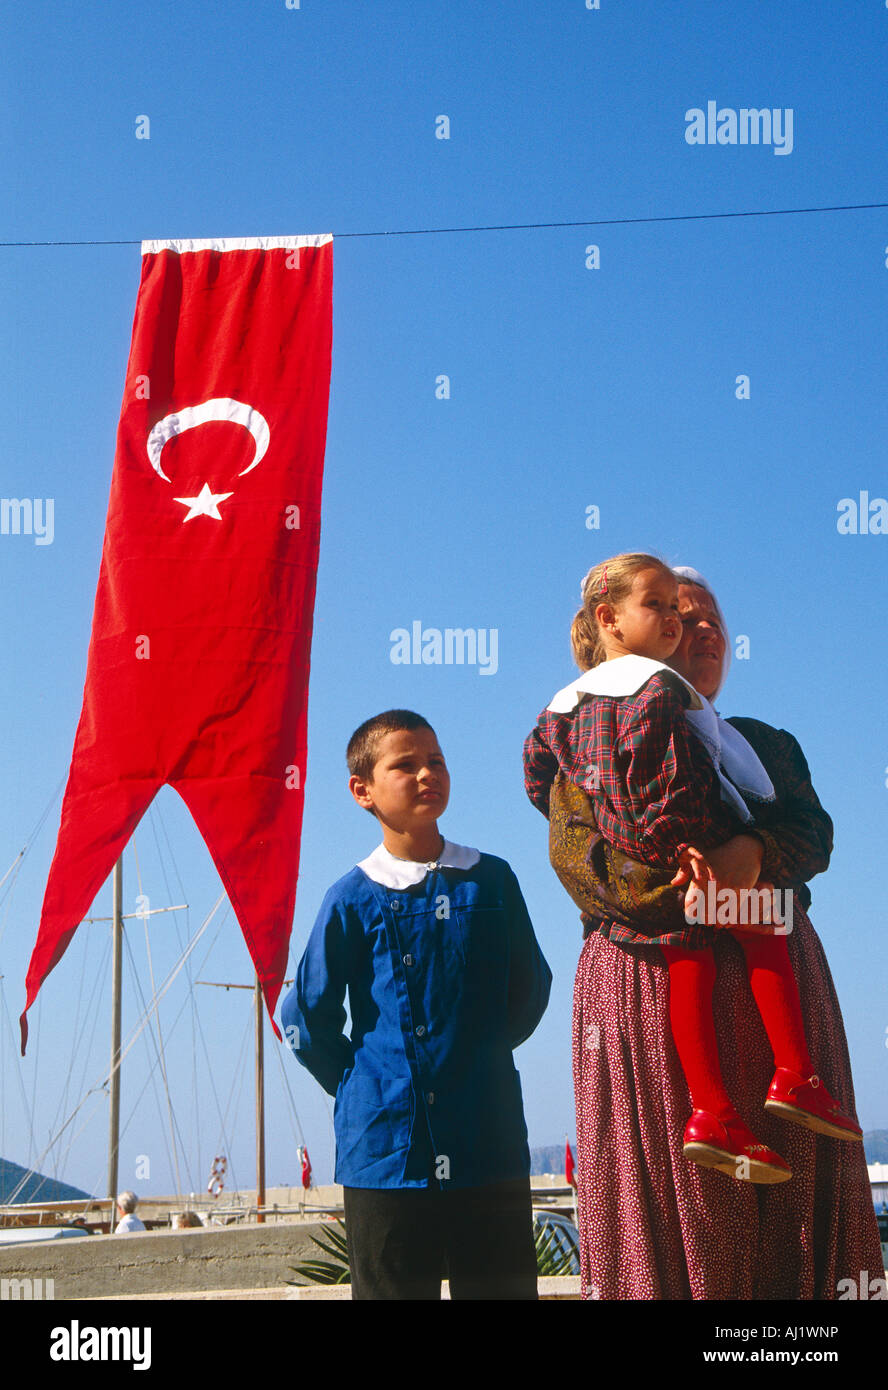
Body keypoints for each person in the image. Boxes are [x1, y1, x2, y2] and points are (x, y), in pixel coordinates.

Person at [526, 563, 882, 1299]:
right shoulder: (588, 753)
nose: (704, 629)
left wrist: (746, 853)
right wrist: (701, 889)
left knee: (790, 1181)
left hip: (778, 988)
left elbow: (812, 835)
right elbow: (583, 864)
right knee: (678, 1183)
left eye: (715, 617)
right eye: (682, 616)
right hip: (648, 986)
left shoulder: (762, 744)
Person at [282, 710, 551, 1300]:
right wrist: (361, 1083)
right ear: (363, 791)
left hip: (487, 1139)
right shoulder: (349, 898)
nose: (426, 773)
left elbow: (530, 989)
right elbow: (303, 1017)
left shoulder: (492, 881)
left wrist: (474, 1054)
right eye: (404, 764)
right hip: (383, 1152)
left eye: (436, 760)